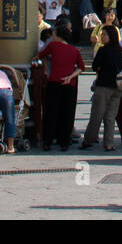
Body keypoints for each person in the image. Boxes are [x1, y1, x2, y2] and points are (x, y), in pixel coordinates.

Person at [41, 18, 84, 151]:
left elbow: (40, 54)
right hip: (69, 84)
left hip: (54, 82)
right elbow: (81, 67)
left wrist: (45, 70)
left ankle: (48, 140)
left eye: (54, 34)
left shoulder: (53, 46)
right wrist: (71, 76)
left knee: (51, 112)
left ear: (58, 36)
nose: (52, 36)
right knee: (67, 113)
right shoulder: (74, 50)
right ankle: (64, 141)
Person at [83, 24, 122, 151]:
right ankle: (109, 142)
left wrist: (101, 68)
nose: (102, 36)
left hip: (103, 86)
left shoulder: (103, 50)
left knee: (97, 115)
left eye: (105, 34)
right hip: (117, 86)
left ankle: (89, 140)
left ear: (111, 36)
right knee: (110, 116)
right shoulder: (119, 50)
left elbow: (95, 66)